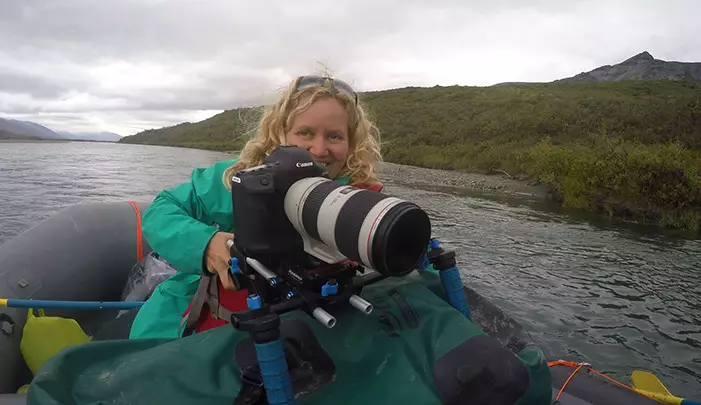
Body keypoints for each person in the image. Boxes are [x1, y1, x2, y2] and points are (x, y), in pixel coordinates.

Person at [129, 75, 385, 339]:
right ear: (280, 133)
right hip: (219, 326)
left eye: (334, 136)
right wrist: (206, 245)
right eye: (305, 133)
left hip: (321, 327)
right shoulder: (242, 181)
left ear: (351, 144)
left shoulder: (360, 198)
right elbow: (162, 208)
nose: (319, 149)